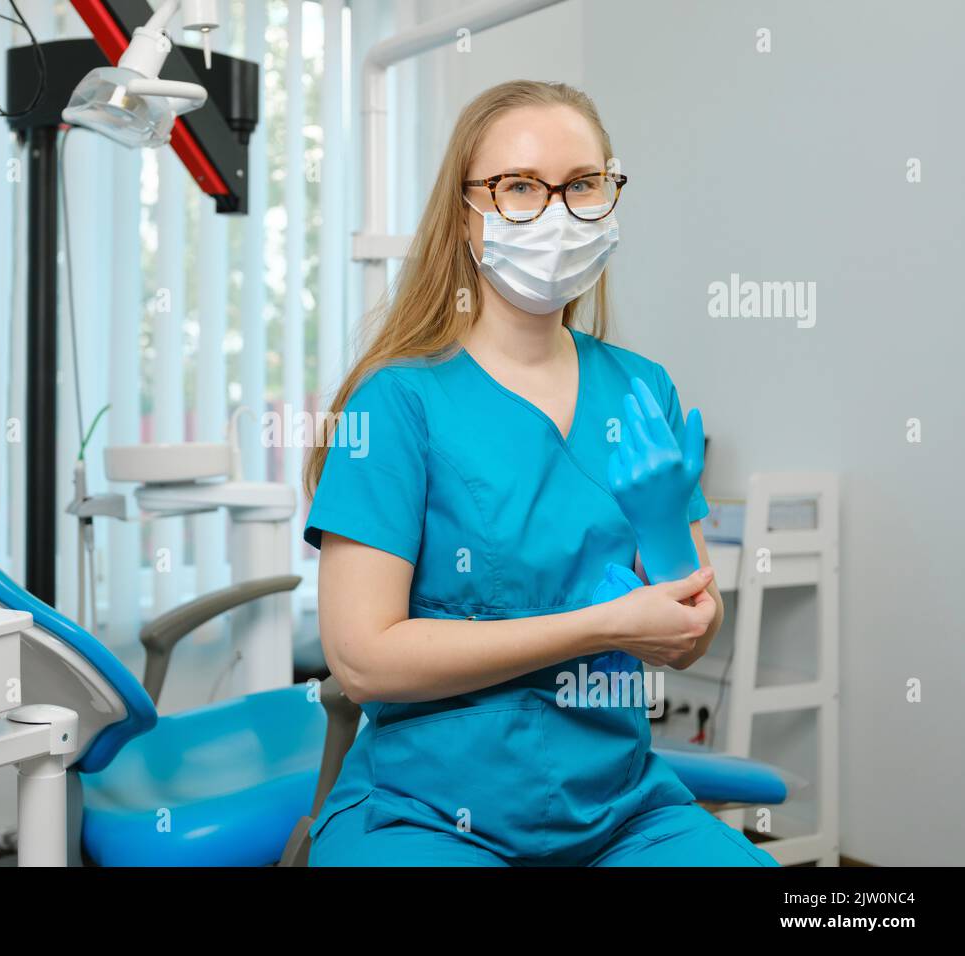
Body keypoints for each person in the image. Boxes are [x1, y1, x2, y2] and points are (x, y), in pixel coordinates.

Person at [302, 80, 777, 867]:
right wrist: (600, 626)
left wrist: (667, 540)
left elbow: (688, 638)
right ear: (465, 213)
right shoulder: (396, 403)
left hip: (621, 811)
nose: (556, 211)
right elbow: (362, 659)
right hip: (424, 813)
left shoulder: (642, 388)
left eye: (583, 184)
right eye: (519, 187)